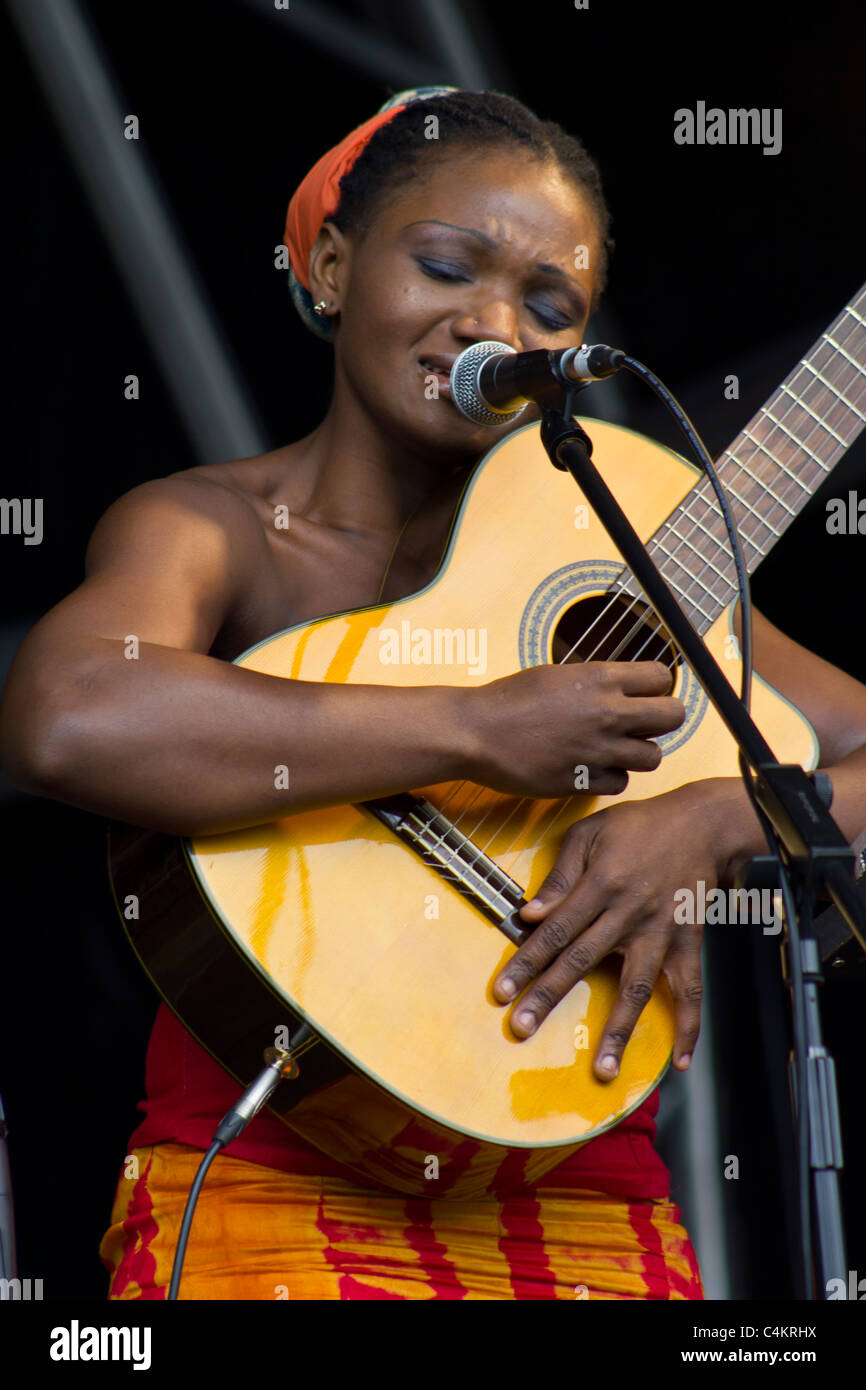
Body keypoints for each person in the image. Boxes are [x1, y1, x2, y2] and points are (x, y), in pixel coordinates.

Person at [2, 87, 865, 1302]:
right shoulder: (219, 530)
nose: (491, 323)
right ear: (334, 265)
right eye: (449, 265)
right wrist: (479, 726)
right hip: (272, 1186)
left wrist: (712, 818)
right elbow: (70, 715)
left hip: (586, 1200)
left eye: (546, 306)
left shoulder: (618, 549)